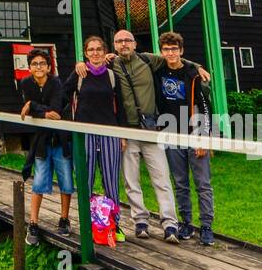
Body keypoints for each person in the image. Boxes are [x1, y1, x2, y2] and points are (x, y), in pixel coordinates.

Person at [76, 29, 209, 242]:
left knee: (162, 177)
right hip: (127, 130)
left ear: (135, 43)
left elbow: (173, 56)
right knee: (131, 180)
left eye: (128, 40)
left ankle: (169, 223)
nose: (124, 44)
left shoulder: (148, 60)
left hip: (151, 127)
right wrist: (79, 64)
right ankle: (140, 221)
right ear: (114, 46)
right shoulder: (112, 64)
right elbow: (92, 62)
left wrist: (197, 66)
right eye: (119, 41)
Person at [152, 32, 216, 246]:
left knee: (202, 183)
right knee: (180, 183)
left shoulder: (193, 74)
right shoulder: (158, 71)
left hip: (193, 133)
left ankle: (206, 225)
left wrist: (204, 138)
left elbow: (206, 107)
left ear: (181, 51)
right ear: (162, 52)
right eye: (166, 49)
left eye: (174, 49)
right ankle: (186, 223)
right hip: (172, 132)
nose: (170, 53)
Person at [64, 35, 127, 242]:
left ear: (104, 51)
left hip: (109, 132)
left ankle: (114, 224)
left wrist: (122, 134)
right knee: (85, 179)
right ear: (85, 53)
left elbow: (121, 106)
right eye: (90, 50)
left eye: (99, 49)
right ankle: (86, 223)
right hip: (85, 133)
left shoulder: (111, 75)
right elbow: (63, 94)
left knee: (111, 179)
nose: (95, 53)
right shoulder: (80, 74)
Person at [19, 48, 73, 245]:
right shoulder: (25, 83)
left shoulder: (56, 83)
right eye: (35, 64)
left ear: (49, 67)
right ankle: (33, 222)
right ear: (29, 68)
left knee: (66, 179)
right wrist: (37, 108)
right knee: (39, 181)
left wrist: (33, 105)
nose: (39, 67)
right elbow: (32, 111)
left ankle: (64, 218)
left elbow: (56, 111)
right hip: (41, 140)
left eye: (42, 64)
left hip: (60, 139)